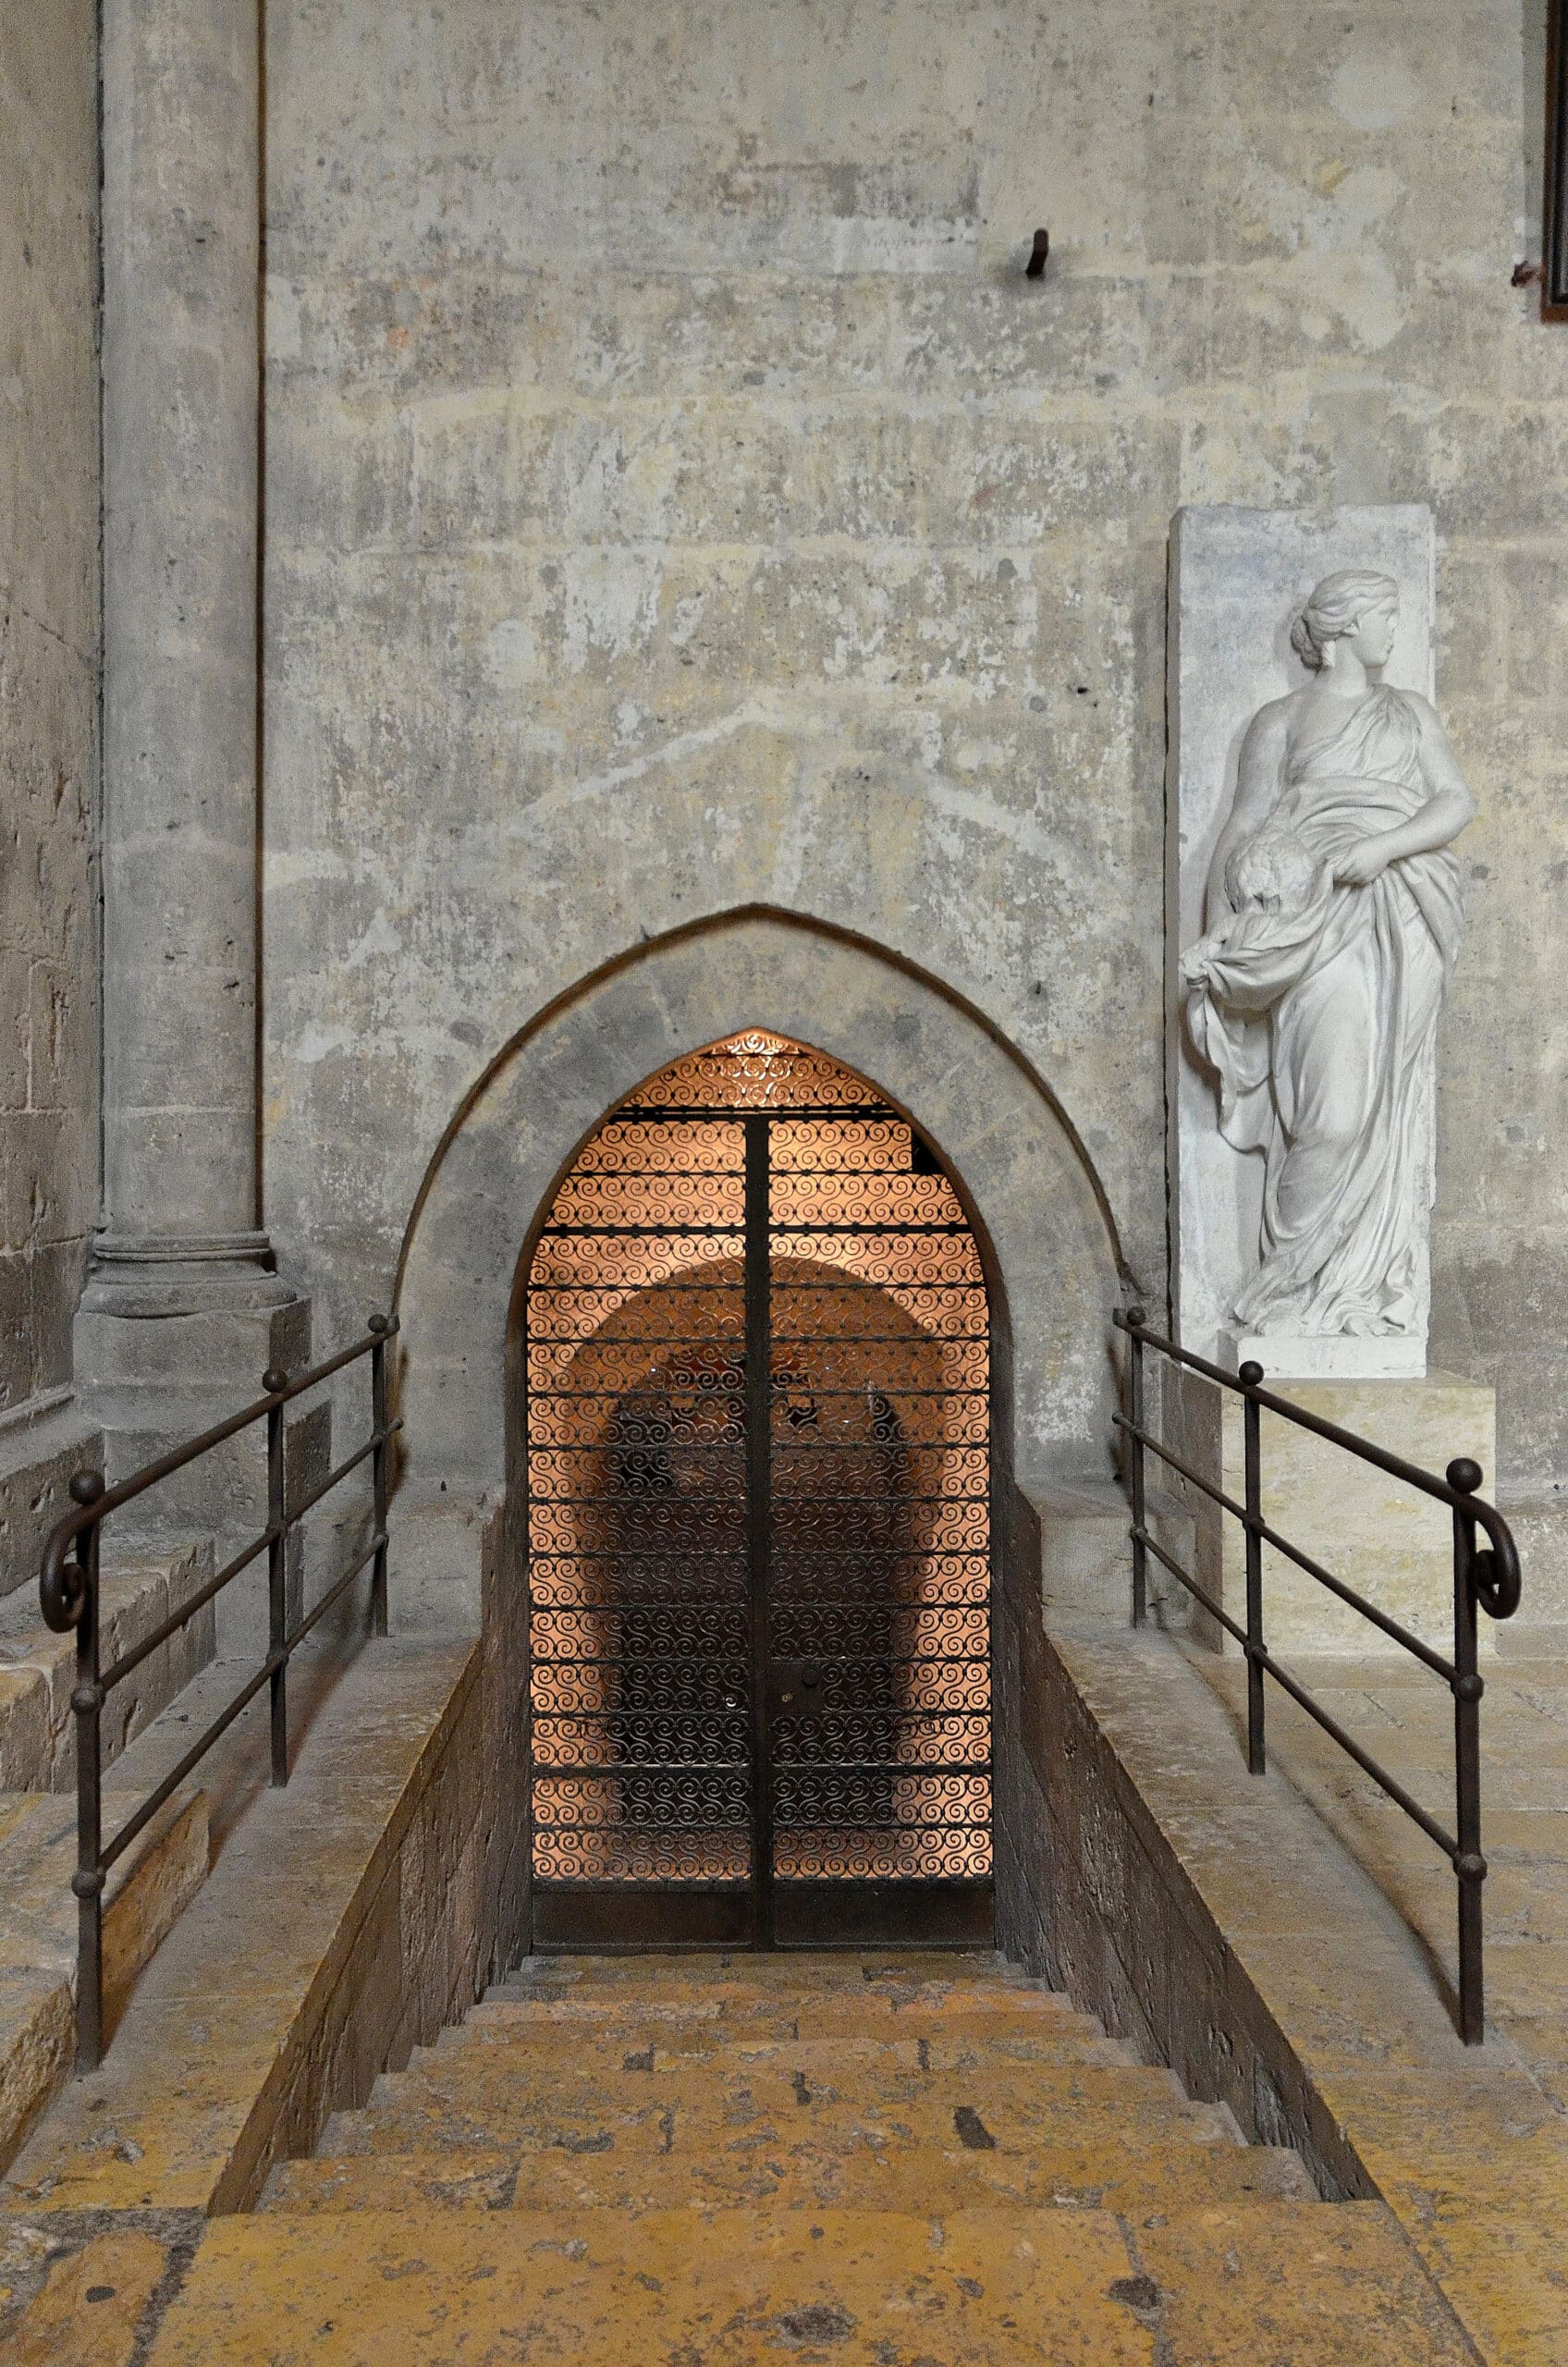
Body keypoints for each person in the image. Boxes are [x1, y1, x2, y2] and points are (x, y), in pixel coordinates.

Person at [1181, 570, 1476, 1341]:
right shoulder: (1281, 720)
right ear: (1343, 626)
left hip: (1403, 913)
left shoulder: (1410, 713)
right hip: (1313, 922)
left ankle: (1358, 1288)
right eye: (1385, 616)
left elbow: (1453, 803)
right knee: (1335, 1117)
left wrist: (1381, 847)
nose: (1393, 633)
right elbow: (1240, 830)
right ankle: (1288, 1287)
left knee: (1386, 1107)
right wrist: (1219, 941)